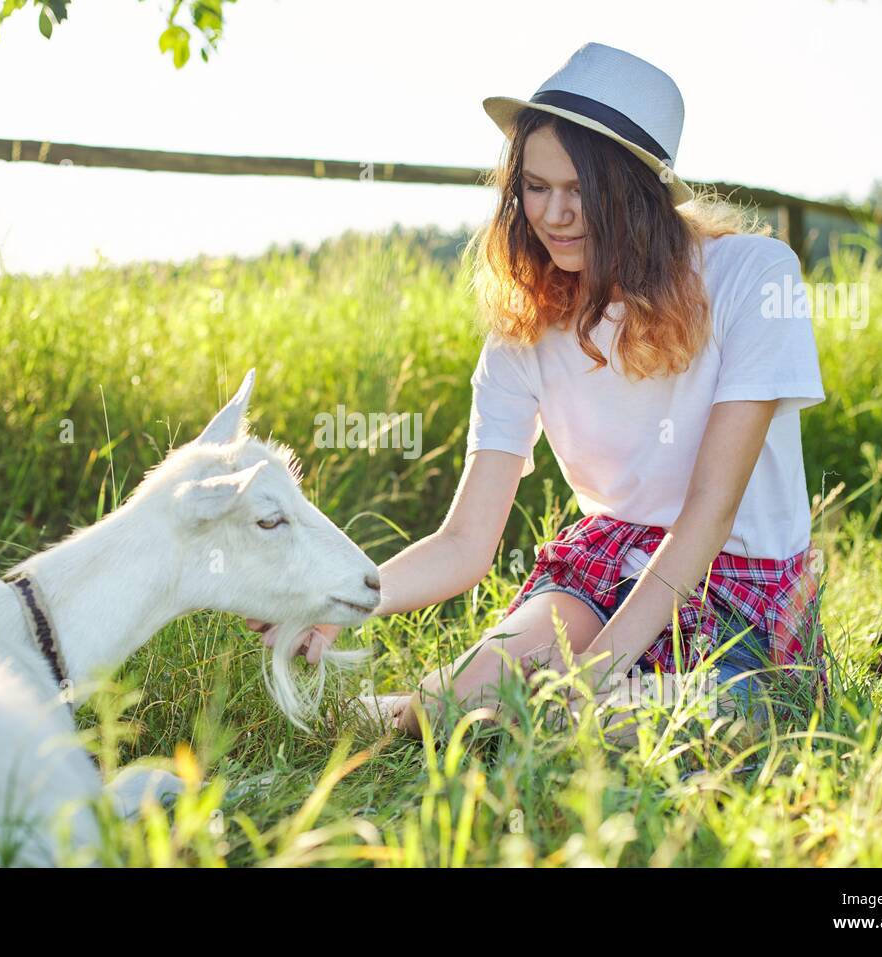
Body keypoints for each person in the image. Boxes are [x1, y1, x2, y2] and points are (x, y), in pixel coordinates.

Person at [248, 41, 828, 738]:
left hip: (737, 584)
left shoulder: (753, 277)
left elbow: (707, 512)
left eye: (581, 189)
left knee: (622, 726)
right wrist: (333, 600)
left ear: (635, 189)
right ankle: (405, 707)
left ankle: (589, 703)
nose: (554, 214)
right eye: (536, 186)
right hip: (604, 564)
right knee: (454, 712)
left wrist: (596, 671)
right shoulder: (526, 327)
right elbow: (464, 541)